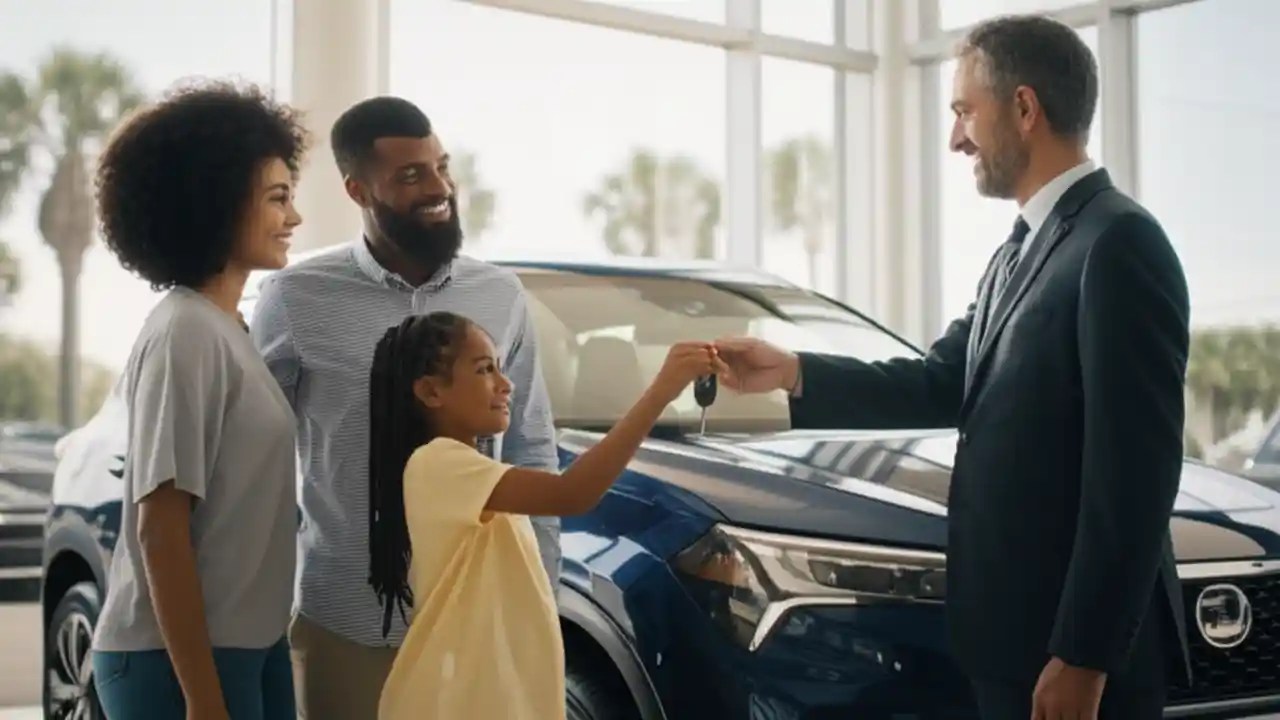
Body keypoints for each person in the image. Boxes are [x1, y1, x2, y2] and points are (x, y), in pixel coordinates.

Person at [715, 14, 1190, 720]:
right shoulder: (1019, 252)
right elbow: (943, 381)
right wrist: (792, 371)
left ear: (1024, 108)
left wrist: (1084, 655)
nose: (956, 139)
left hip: (1073, 662)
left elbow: (1135, 479)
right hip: (1012, 645)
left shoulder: (1119, 243)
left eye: (965, 111)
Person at [248, 96, 562, 719]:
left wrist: (541, 601)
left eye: (441, 167)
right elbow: (256, 461)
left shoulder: (500, 296)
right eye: (412, 175)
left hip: (478, 627)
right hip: (350, 627)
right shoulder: (294, 299)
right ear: (357, 189)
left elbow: (531, 447)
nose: (438, 188)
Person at [365, 312, 721, 719]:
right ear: (431, 391)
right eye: (484, 369)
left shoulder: (473, 472)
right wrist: (661, 392)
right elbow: (572, 493)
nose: (506, 384)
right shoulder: (438, 464)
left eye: (499, 367)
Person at [90, 80, 307, 719]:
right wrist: (203, 697)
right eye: (277, 198)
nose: (294, 218)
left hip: (249, 642)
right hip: (178, 660)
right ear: (217, 201)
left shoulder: (229, 328)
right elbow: (161, 528)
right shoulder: (185, 331)